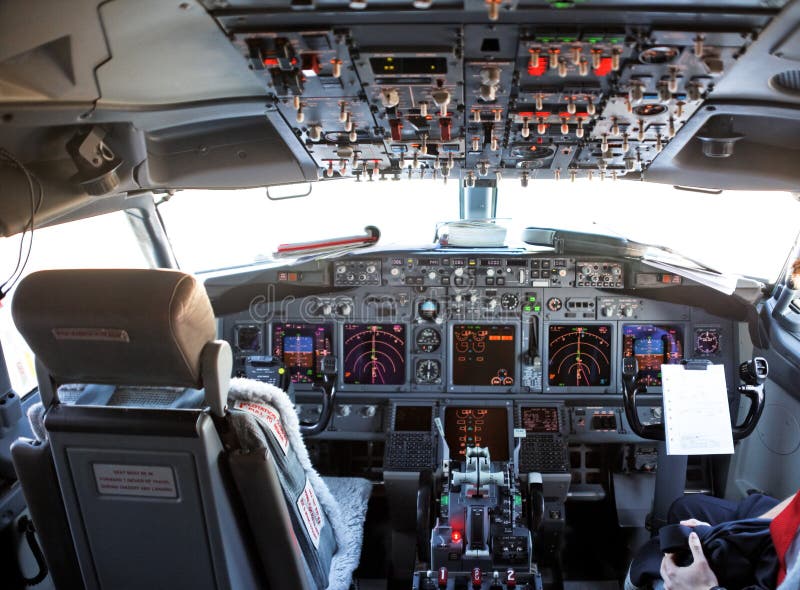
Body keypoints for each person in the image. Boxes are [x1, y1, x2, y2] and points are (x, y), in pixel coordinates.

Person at [629, 491, 800, 590]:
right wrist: (725, 533)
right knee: (686, 507)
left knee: (653, 565)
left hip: (772, 576)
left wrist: (706, 587)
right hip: (775, 533)